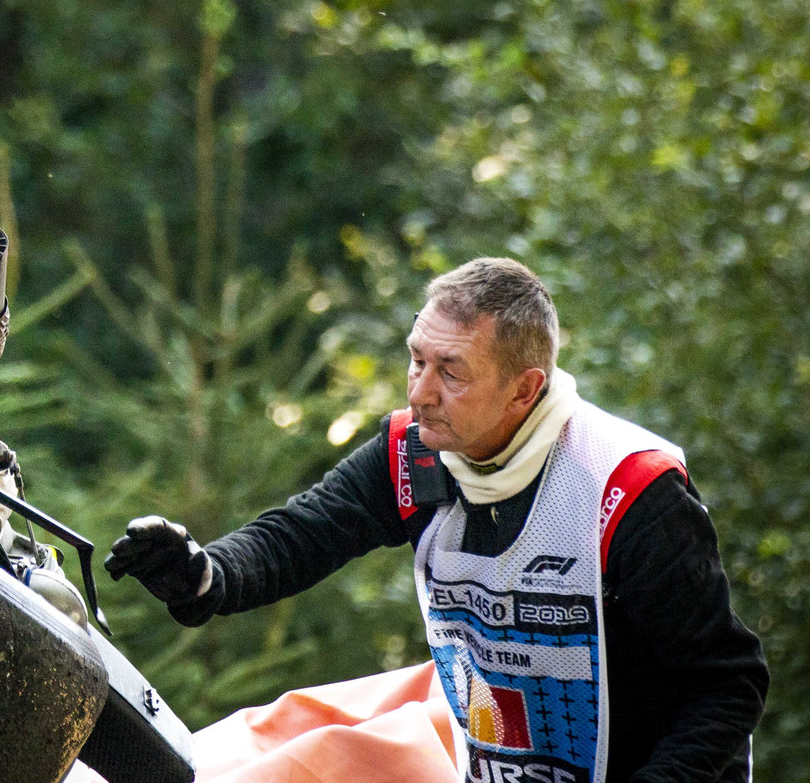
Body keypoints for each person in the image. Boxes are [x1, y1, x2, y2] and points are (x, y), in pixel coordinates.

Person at [106, 258, 768, 783]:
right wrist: (204, 574)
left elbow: (727, 684)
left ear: (524, 389)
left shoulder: (628, 490)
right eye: (417, 359)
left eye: (450, 372)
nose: (420, 391)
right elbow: (301, 535)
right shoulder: (416, 454)